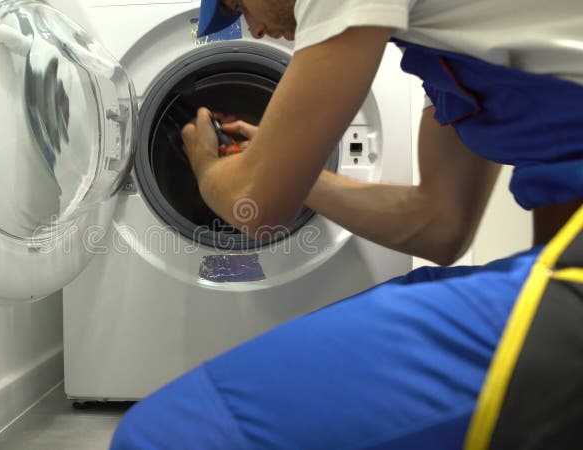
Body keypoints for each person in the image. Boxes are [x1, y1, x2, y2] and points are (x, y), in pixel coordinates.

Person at [111, 0, 583, 448]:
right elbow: (438, 224)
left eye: (239, 5)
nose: (252, 29)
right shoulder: (445, 47)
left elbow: (254, 207)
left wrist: (206, 167)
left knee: (168, 435)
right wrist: (290, 172)